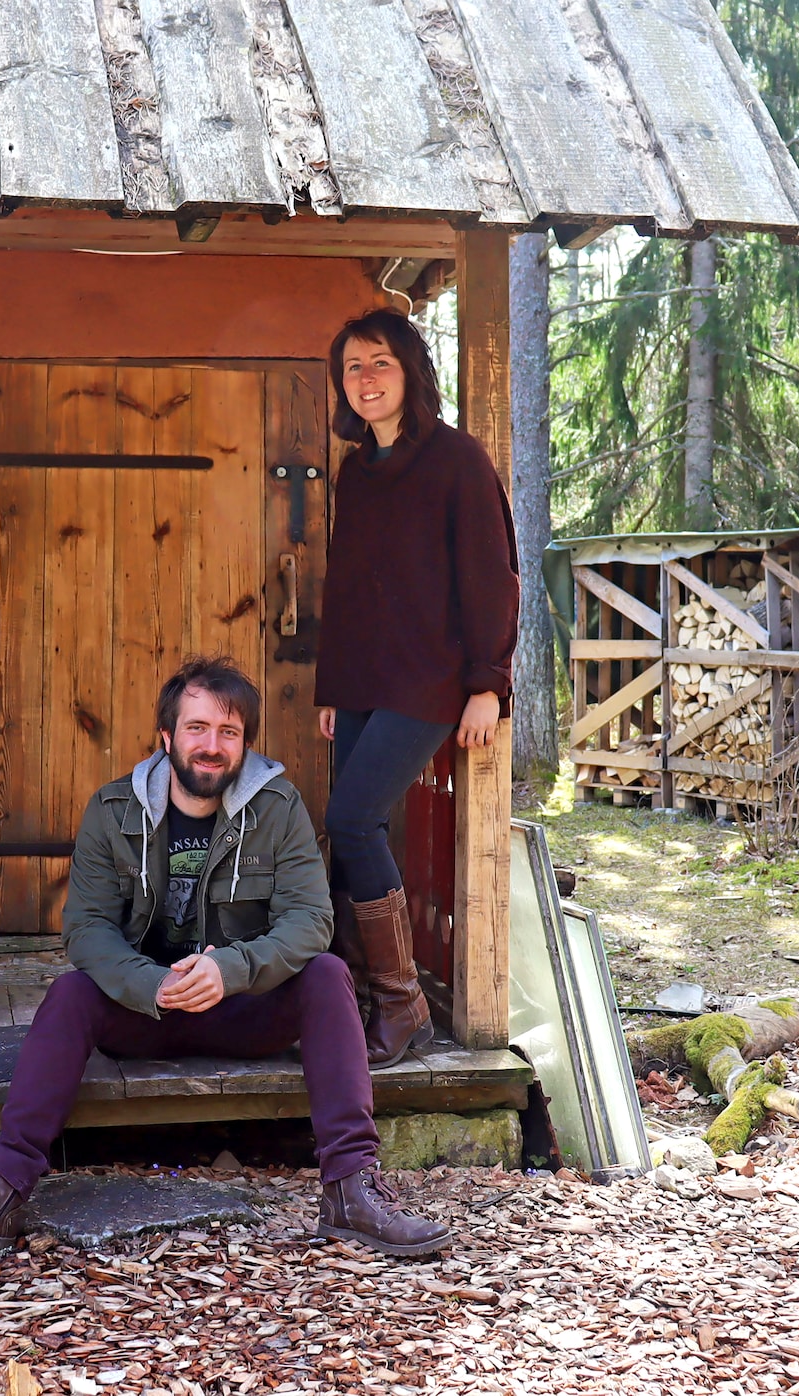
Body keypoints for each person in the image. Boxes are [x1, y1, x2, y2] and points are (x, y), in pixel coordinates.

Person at [0, 657, 453, 1257]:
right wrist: (152, 985)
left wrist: (230, 969)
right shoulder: (113, 811)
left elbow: (310, 921)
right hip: (147, 1014)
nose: (211, 746)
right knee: (71, 993)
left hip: (246, 1009)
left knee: (327, 974)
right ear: (167, 738)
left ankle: (351, 1191)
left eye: (229, 732)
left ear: (244, 744)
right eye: (197, 728)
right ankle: (0, 1191)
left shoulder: (279, 807)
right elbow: (85, 929)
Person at [316, 309, 520, 1066]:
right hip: (366, 679)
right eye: (353, 368)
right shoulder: (356, 470)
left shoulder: (457, 460)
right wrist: (335, 687)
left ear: (410, 373)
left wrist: (486, 684)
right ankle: (363, 1000)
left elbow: (493, 577)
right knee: (350, 832)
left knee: (354, 817)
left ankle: (403, 1011)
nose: (366, 380)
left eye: (380, 364)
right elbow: (349, 590)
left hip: (432, 679)